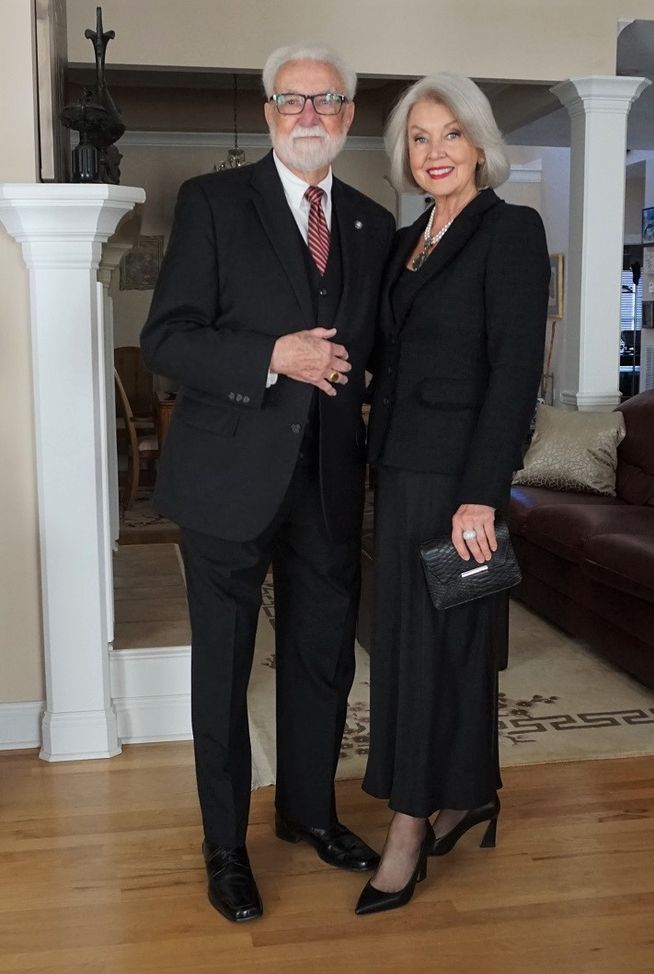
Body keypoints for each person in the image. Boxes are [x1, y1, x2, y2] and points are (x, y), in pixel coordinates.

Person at [140, 43, 395, 923]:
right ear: (268, 112)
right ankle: (224, 846)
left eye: (328, 100)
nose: (311, 114)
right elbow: (167, 340)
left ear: (350, 116)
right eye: (294, 100)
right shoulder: (213, 204)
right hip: (225, 482)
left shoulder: (370, 220)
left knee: (321, 662)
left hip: (327, 483)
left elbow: (381, 353)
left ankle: (309, 813)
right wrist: (272, 356)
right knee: (224, 671)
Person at [356, 73, 549, 915]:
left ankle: (410, 826)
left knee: (444, 647)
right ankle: (468, 790)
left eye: (449, 135)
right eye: (419, 138)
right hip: (399, 472)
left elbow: (513, 376)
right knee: (411, 643)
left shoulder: (510, 232)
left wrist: (483, 494)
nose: (433, 152)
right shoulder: (408, 240)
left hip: (458, 482)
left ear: (479, 145)